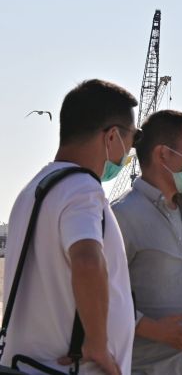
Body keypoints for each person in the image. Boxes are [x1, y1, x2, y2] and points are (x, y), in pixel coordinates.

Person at [1, 79, 138, 375]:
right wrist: (98, 345)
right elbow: (88, 260)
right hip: (69, 368)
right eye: (132, 140)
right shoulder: (82, 190)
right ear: (112, 136)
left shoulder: (36, 188)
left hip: (24, 364)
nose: (128, 153)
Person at [111, 109, 182, 374]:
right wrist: (154, 330)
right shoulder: (122, 216)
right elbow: (96, 297)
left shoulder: (180, 213)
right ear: (163, 153)